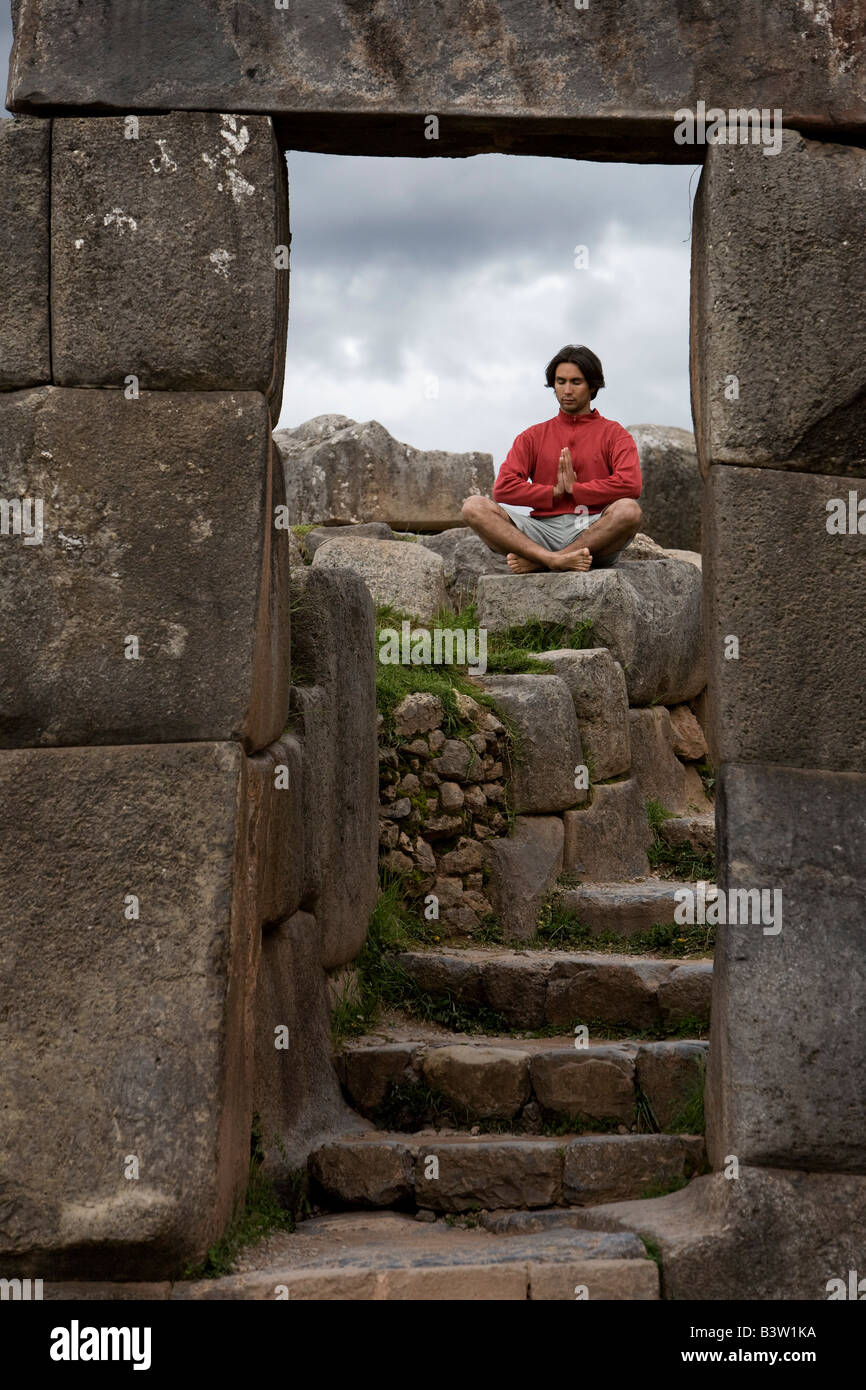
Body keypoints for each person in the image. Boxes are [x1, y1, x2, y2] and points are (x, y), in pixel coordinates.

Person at [461, 344, 642, 573]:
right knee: (473, 507)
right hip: (541, 530)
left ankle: (545, 561)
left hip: (592, 528)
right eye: (560, 382)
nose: (567, 390)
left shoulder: (614, 434)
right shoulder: (532, 436)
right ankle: (552, 558)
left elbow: (631, 484)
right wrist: (553, 492)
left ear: (592, 385)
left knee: (629, 510)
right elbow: (503, 488)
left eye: (576, 382)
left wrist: (578, 490)